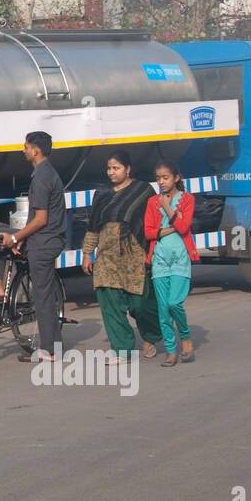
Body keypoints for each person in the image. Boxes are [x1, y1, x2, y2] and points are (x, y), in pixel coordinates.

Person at [0, 131, 67, 363]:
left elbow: (41, 219)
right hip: (44, 238)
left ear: (36, 150)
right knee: (1, 237)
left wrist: (17, 236)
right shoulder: (45, 173)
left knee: (42, 297)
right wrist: (18, 237)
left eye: (26, 146)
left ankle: (50, 350)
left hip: (45, 242)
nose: (24, 150)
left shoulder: (42, 177)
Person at [80, 150, 163, 363]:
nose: (111, 173)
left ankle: (151, 335)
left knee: (140, 303)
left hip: (134, 255)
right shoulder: (102, 194)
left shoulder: (143, 191)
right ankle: (122, 349)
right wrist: (88, 253)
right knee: (110, 302)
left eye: (116, 168)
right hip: (107, 257)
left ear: (128, 169)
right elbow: (93, 227)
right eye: (109, 168)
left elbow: (155, 221)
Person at [145, 160, 198, 367]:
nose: (161, 182)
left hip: (180, 258)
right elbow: (148, 232)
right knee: (162, 309)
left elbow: (185, 228)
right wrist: (170, 228)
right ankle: (170, 350)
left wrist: (167, 207)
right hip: (159, 259)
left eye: (165, 177)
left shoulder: (187, 199)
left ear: (176, 178)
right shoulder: (152, 202)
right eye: (158, 178)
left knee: (174, 302)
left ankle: (185, 337)